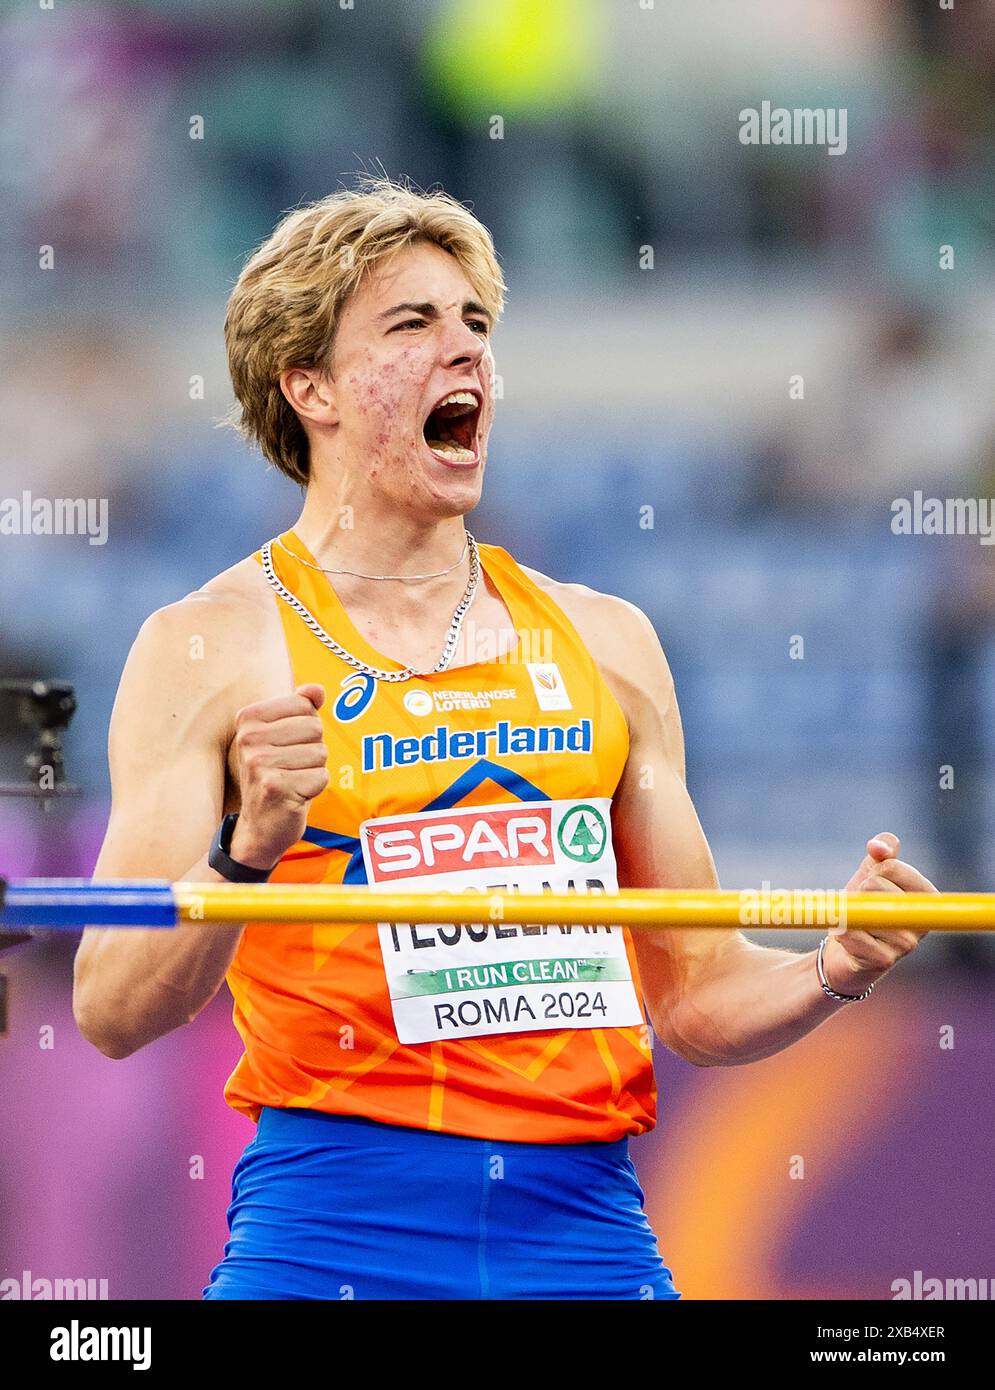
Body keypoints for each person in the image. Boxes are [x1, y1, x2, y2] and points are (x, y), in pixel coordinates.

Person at [72, 177, 936, 1301]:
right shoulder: (208, 647)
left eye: (476, 323)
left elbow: (694, 994)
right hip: (333, 1231)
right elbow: (109, 1008)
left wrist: (831, 966)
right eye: (412, 324)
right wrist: (245, 849)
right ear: (309, 387)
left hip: (582, 1232)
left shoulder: (606, 640)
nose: (465, 350)